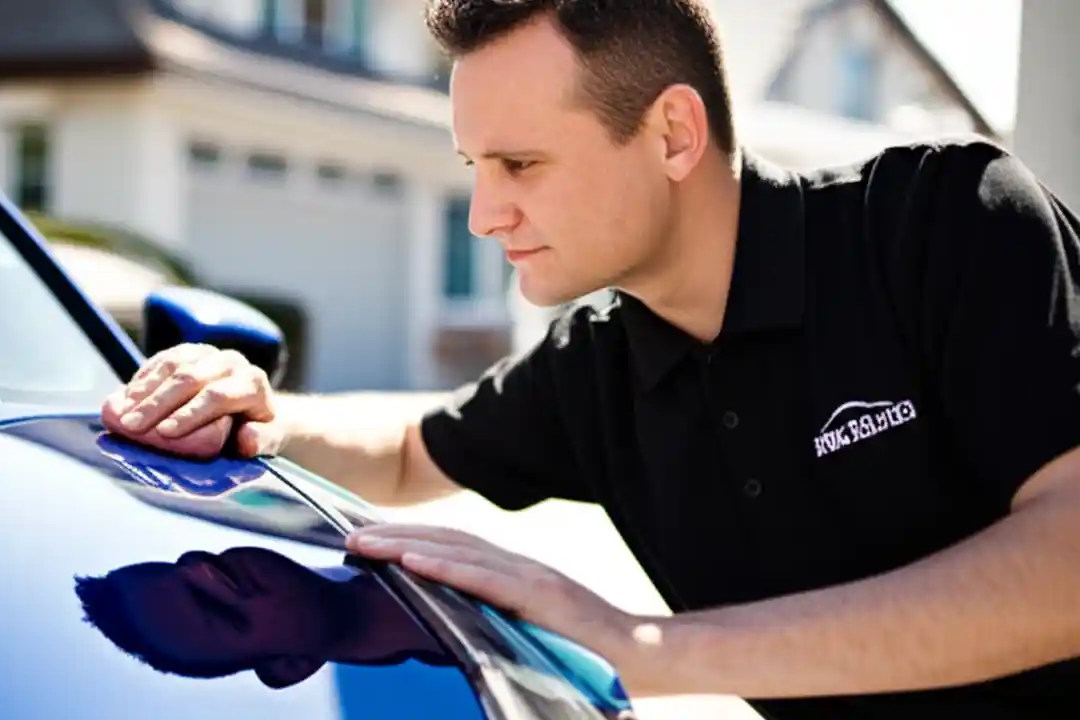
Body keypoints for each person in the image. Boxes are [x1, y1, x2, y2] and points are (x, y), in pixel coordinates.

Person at [100, 0, 1080, 716]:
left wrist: (638, 648)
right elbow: (406, 450)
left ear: (670, 133)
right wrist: (256, 409)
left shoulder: (942, 222)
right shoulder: (600, 367)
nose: (485, 215)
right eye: (473, 169)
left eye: (520, 164)